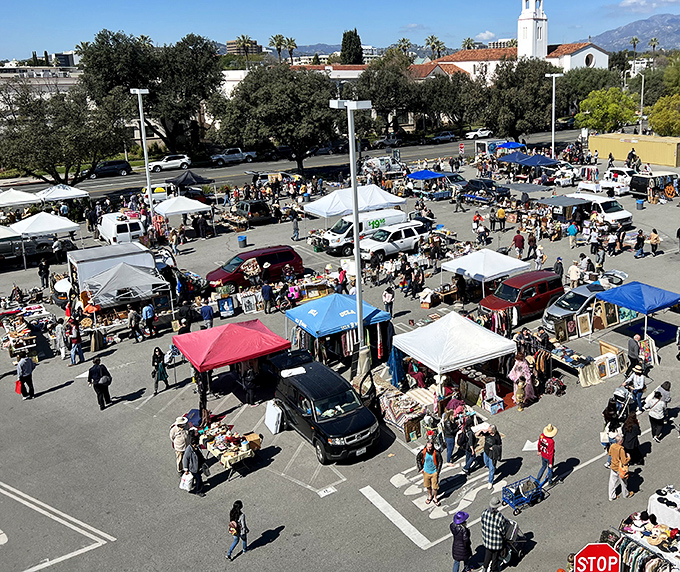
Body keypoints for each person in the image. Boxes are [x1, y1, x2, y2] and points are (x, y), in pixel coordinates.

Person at [481, 496, 509, 572]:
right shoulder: (499, 517)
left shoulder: (484, 513)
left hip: (487, 540)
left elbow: (482, 524)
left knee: (488, 553)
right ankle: (494, 569)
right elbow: (503, 530)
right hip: (496, 542)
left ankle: (485, 567)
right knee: (495, 556)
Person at [416, 440, 442, 506]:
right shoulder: (423, 452)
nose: (429, 449)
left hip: (434, 472)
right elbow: (418, 458)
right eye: (428, 447)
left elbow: (440, 462)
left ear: (433, 447)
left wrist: (437, 471)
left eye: (430, 447)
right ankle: (430, 496)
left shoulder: (436, 453)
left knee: (435, 487)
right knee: (428, 486)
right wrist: (420, 468)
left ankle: (435, 498)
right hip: (426, 472)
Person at [608, 434, 634, 501]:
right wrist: (628, 457)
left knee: (612, 482)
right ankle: (626, 494)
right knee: (624, 482)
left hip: (613, 466)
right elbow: (624, 461)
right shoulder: (621, 449)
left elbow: (610, 453)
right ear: (620, 441)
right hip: (619, 468)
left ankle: (612, 496)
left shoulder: (612, 446)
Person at [477, 424, 502, 489]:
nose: (488, 430)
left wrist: (494, 448)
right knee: (486, 463)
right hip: (486, 451)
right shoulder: (487, 433)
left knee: (491, 468)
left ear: (492, 431)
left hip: (492, 454)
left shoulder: (497, 436)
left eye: (489, 429)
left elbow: (500, 445)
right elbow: (476, 435)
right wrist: (481, 430)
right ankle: (493, 469)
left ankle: (490, 482)